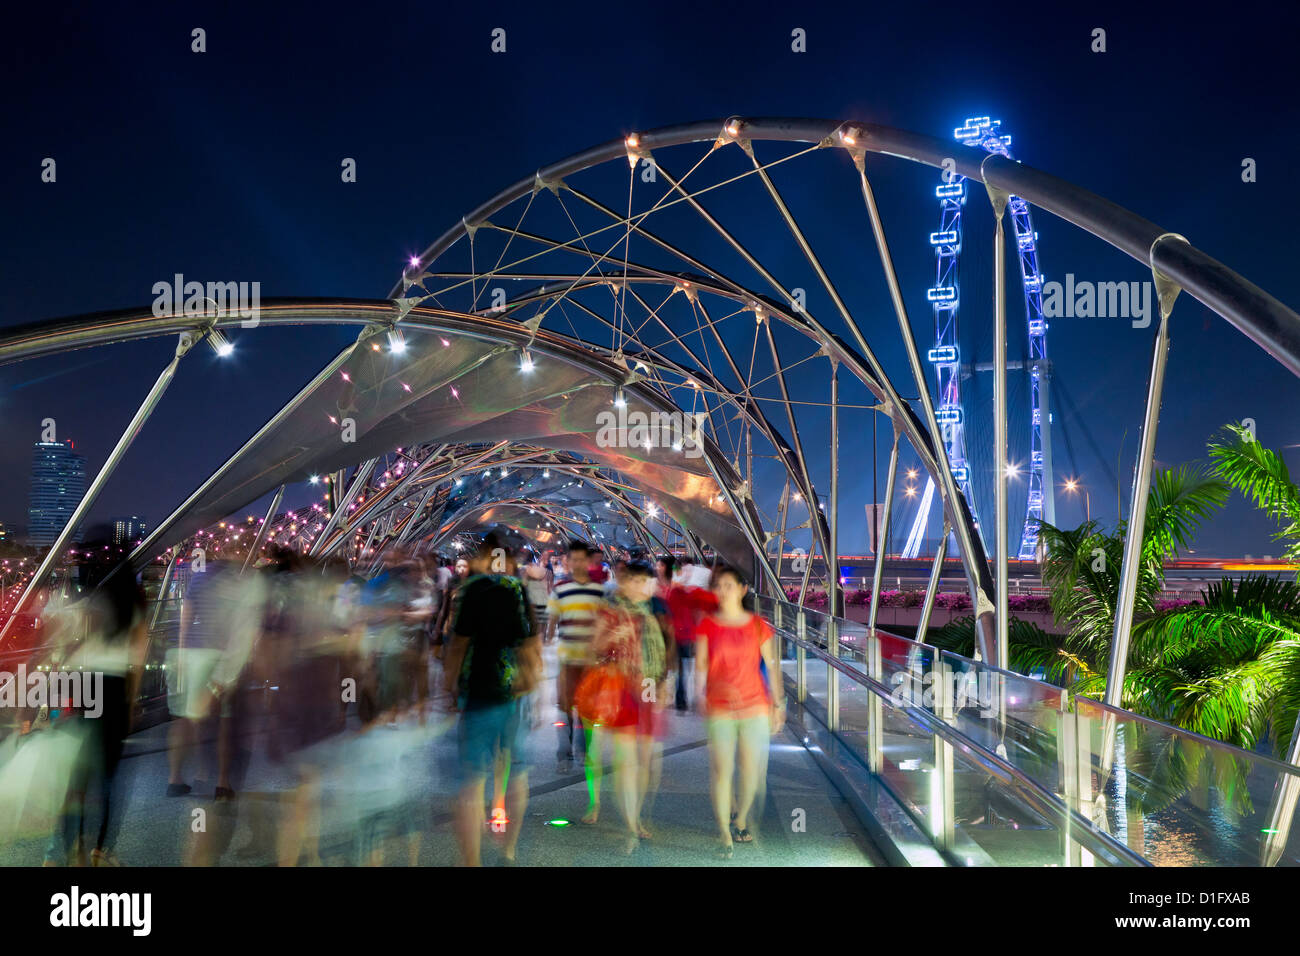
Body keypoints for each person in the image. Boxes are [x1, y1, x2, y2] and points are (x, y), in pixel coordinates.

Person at [444, 533, 541, 866]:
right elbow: (531, 643)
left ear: (484, 556)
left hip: (479, 692)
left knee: (471, 781)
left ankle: (471, 861)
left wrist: (450, 685)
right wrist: (533, 682)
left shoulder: (472, 591)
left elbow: (458, 643)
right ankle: (510, 849)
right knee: (516, 772)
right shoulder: (518, 590)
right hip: (513, 692)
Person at [695, 565, 784, 859]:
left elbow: (772, 667)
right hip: (720, 706)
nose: (722, 591)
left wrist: (778, 704)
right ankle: (724, 834)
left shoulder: (758, 625)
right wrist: (699, 695)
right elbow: (701, 666)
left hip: (755, 705)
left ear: (743, 589)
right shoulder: (707, 625)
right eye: (718, 585)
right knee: (722, 771)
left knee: (751, 772)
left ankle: (741, 817)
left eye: (729, 585)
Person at [546, 541, 605, 775]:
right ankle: (564, 752)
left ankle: (585, 751)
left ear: (588, 562)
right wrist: (547, 637)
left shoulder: (599, 590)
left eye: (583, 559)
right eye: (575, 560)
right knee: (566, 707)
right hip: (568, 660)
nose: (578, 564)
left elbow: (603, 623)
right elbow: (552, 621)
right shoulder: (560, 589)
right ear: (567, 562)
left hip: (590, 662)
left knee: (587, 710)